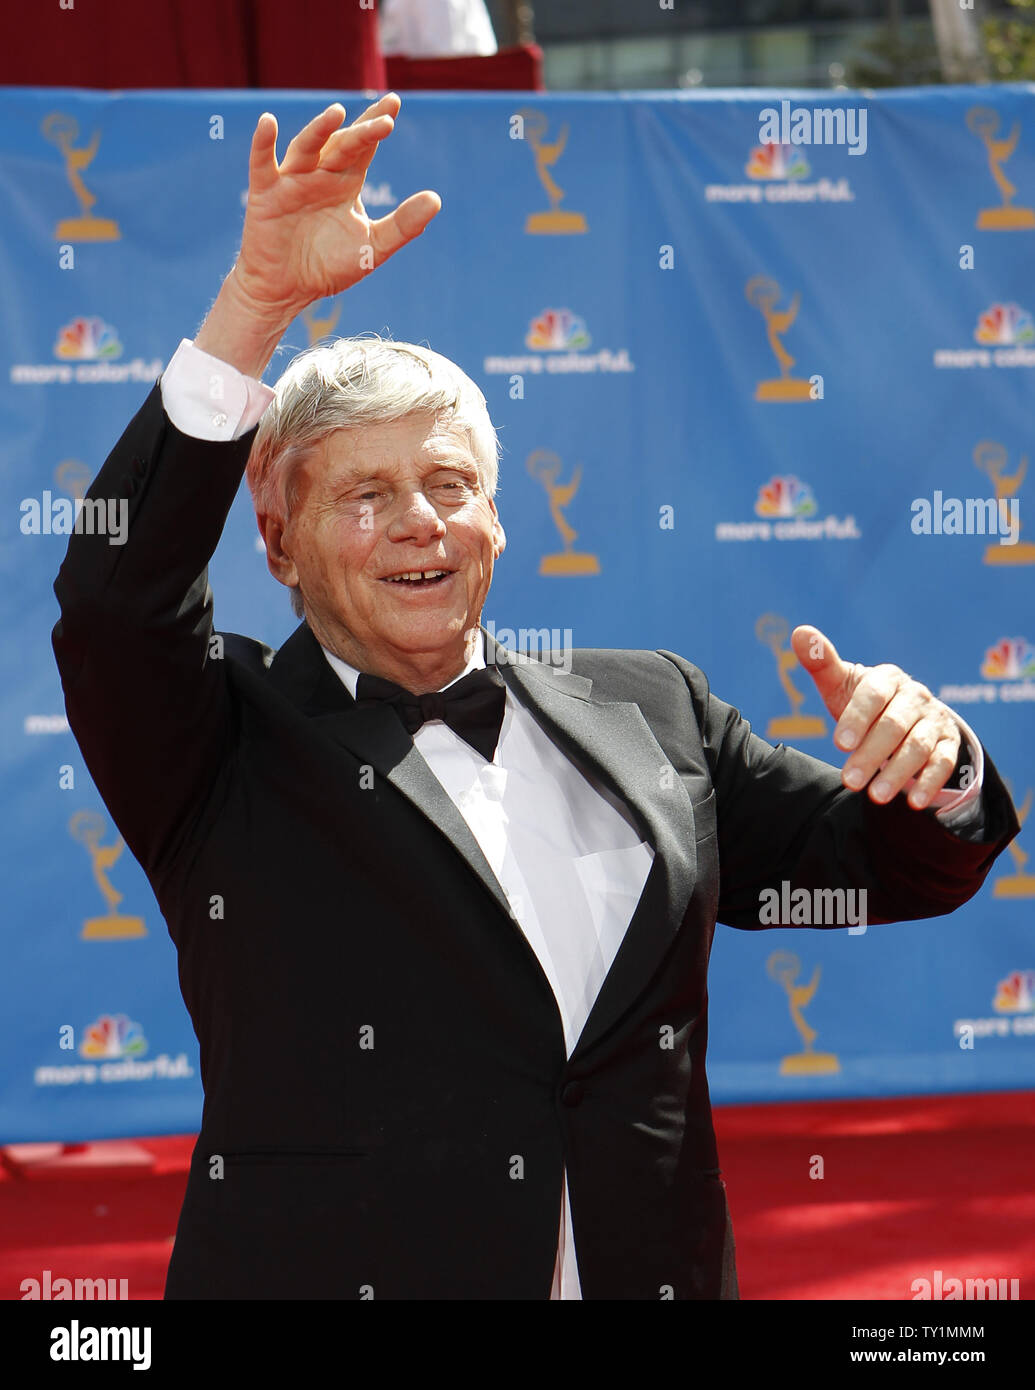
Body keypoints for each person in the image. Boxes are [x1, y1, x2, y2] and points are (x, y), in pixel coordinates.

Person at [52, 96, 1019, 1300]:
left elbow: (888, 867)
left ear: (499, 521)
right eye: (364, 495)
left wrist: (938, 768)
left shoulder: (655, 708)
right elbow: (109, 603)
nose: (419, 519)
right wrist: (253, 310)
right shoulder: (219, 741)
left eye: (450, 483)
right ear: (278, 539)